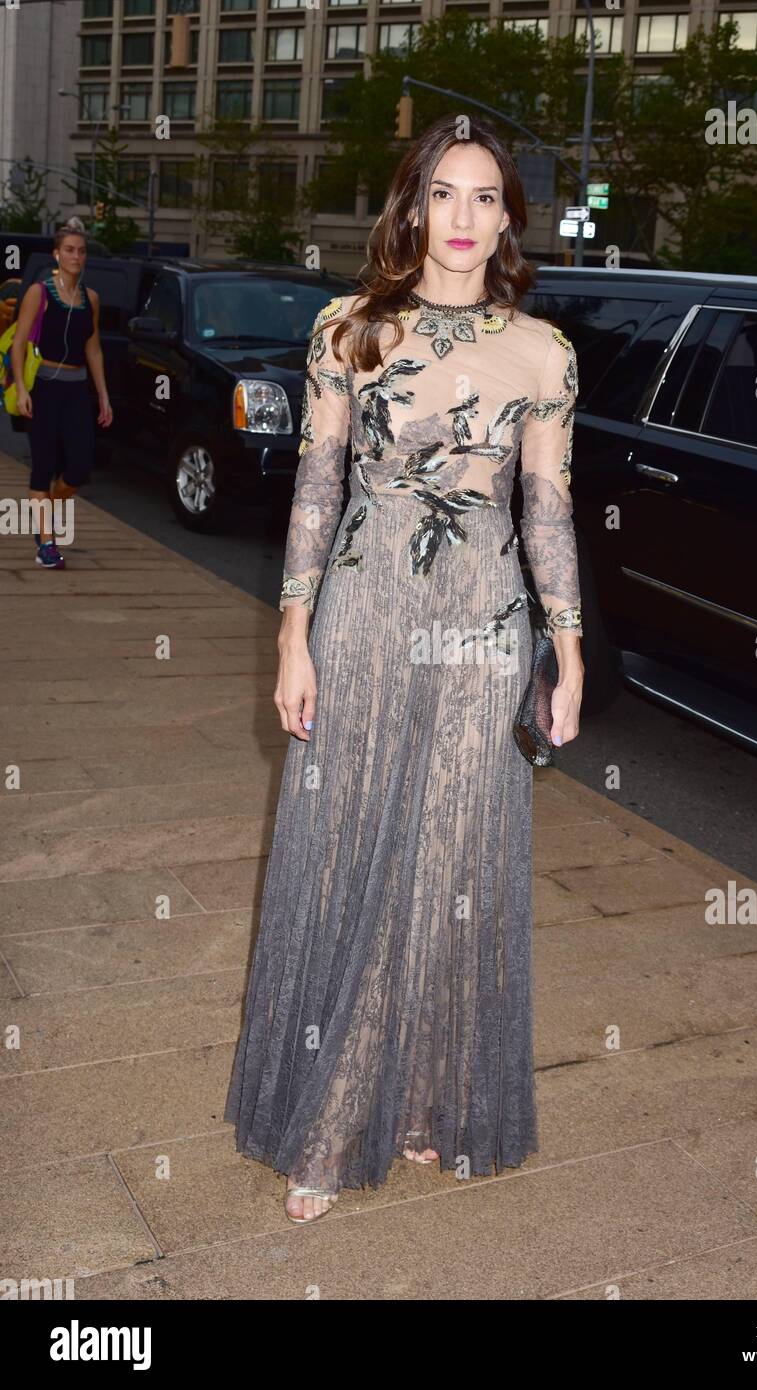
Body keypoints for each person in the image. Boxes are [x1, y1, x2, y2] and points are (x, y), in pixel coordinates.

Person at [223, 114, 584, 1224]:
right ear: (412, 206)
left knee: (453, 854)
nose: (466, 218)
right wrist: (293, 634)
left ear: (509, 217)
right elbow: (319, 492)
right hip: (369, 615)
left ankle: (425, 1101)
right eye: (446, 194)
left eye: (488, 198)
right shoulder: (349, 331)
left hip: (484, 629)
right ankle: (331, 1125)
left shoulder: (543, 352)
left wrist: (568, 654)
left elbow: (549, 507)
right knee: (357, 847)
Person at [10, 215, 113, 568]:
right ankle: (46, 544)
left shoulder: (91, 298)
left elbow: (94, 348)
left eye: (81, 251)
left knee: (80, 467)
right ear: (56, 254)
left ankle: (47, 510)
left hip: (76, 389)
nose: (76, 256)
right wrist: (22, 388)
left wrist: (103, 395)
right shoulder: (39, 293)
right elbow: (18, 343)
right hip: (45, 388)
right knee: (43, 465)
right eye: (69, 250)